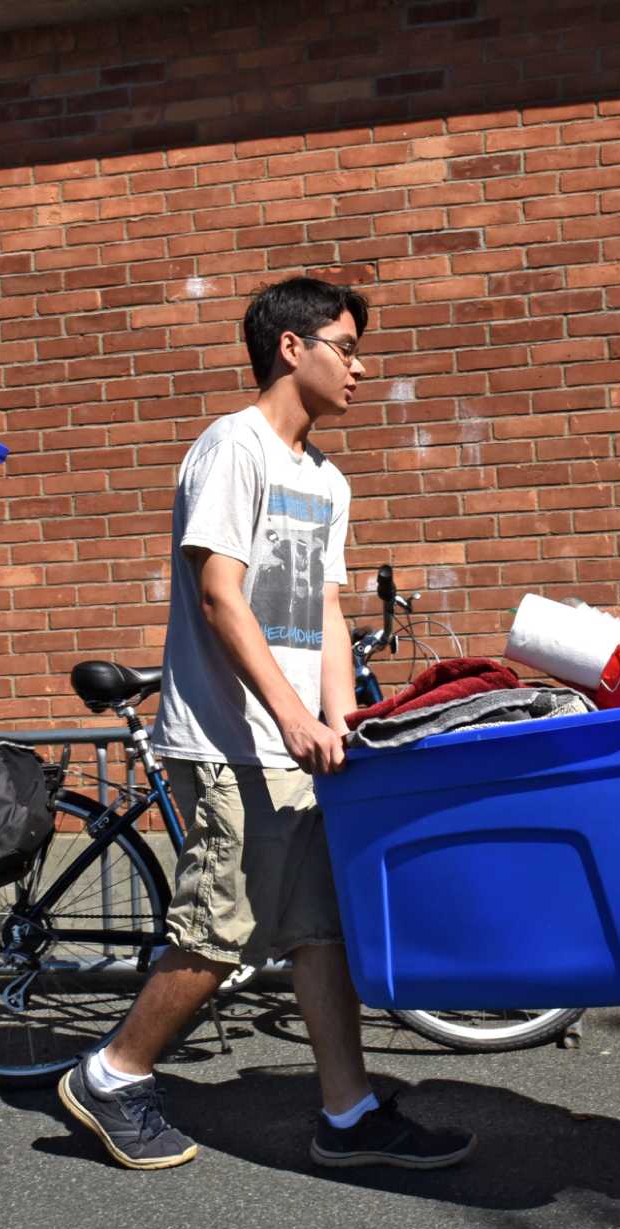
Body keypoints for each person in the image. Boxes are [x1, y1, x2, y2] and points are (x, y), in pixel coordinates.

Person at [57, 278, 474, 1173]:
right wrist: (290, 719)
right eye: (347, 346)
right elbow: (219, 594)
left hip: (297, 745)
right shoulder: (232, 448)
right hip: (228, 739)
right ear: (294, 348)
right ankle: (111, 1074)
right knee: (223, 926)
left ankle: (349, 1112)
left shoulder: (327, 480)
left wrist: (345, 723)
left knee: (319, 927)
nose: (360, 367)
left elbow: (323, 609)